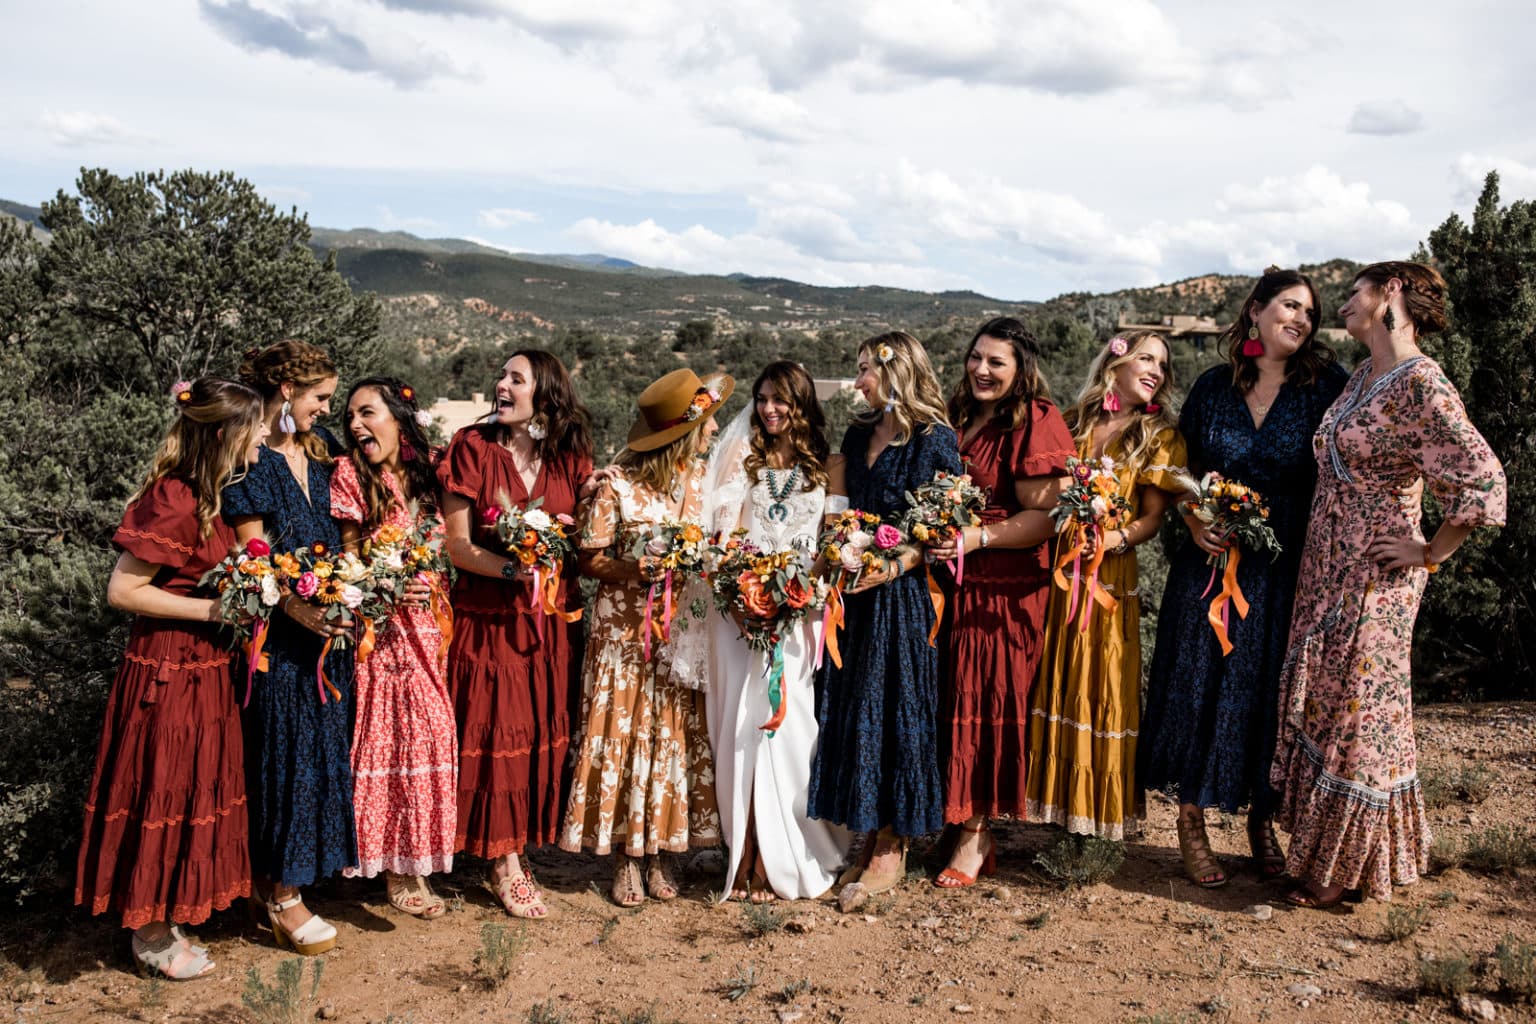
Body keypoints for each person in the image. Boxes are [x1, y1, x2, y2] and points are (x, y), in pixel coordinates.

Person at [1272, 261, 1506, 908]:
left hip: (1380, 574)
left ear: (1391, 294)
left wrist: (1429, 551)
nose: (1342, 305)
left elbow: (1483, 479)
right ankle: (1335, 856)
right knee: (1333, 702)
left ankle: (1338, 870)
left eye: (1354, 293)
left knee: (1361, 714)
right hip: (1327, 569)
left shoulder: (1421, 383)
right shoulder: (1365, 379)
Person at [1138, 269, 1347, 888]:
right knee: (1196, 686)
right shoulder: (1212, 388)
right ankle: (1190, 821)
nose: (1300, 320)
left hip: (1281, 571)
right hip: (1207, 568)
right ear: (1255, 311)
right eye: (1289, 305)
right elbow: (1180, 474)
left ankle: (1262, 819)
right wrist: (1192, 519)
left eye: (1309, 313)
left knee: (1265, 694)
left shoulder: (1325, 388)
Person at [76, 378, 267, 979]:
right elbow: (124, 590)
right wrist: (218, 610)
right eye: (257, 424)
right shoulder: (178, 500)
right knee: (160, 785)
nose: (265, 433)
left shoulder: (213, 494)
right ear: (223, 433)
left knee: (188, 789)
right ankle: (149, 934)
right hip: (167, 671)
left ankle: (165, 917)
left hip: (203, 669)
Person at [560, 368, 728, 907]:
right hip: (624, 637)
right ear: (681, 432)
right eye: (706, 422)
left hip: (682, 633)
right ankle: (625, 860)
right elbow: (589, 561)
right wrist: (636, 569)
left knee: (670, 742)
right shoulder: (618, 487)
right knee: (628, 743)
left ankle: (659, 853)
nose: (715, 429)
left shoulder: (703, 482)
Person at [439, 351, 595, 919]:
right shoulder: (471, 448)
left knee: (533, 736)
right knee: (496, 733)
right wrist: (514, 569)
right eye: (500, 376)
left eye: (515, 378)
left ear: (545, 393)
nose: (500, 385)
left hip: (549, 626)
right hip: (488, 625)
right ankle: (503, 862)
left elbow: (584, 529)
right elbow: (457, 546)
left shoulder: (570, 457)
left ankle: (519, 842)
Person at [808, 332, 961, 903]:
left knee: (897, 707)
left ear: (898, 371)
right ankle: (866, 829)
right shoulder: (855, 433)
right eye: (857, 368)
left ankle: (894, 842)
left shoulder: (935, 441)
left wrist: (894, 564)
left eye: (867, 369)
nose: (859, 380)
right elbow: (840, 505)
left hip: (901, 596)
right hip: (854, 590)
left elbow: (940, 528)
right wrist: (838, 546)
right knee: (854, 705)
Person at [926, 318, 1075, 887]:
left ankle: (975, 835)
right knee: (948, 694)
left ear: (1021, 370)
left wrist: (977, 537)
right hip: (952, 580)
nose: (982, 370)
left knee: (986, 704)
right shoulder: (958, 415)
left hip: (1005, 587)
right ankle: (954, 815)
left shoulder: (1036, 419)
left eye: (997, 363)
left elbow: (1042, 517)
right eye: (976, 358)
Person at [1023, 331, 1186, 842]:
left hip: (1110, 579)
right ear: (1114, 362)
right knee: (1059, 677)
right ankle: (1052, 808)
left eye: (1163, 363)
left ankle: (1096, 819)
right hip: (1057, 575)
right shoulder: (1069, 424)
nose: (1157, 370)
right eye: (1146, 358)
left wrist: (1111, 537)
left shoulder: (1158, 435)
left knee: (1104, 683)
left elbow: (1154, 519)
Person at [701, 361, 850, 902]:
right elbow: (721, 539)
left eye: (780, 399)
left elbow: (833, 541)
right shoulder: (743, 459)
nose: (768, 409)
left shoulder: (830, 465)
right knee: (738, 729)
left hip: (799, 615)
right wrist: (744, 600)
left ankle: (780, 855)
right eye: (762, 399)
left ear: (802, 402)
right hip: (738, 615)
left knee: (788, 729)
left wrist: (796, 596)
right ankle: (741, 852)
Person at [225, 340, 353, 956]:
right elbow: (252, 557)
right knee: (283, 762)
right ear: (287, 393)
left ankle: (285, 880)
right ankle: (281, 895)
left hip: (329, 646)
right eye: (321, 398)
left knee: (318, 757)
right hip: (278, 643)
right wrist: (295, 605)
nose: (326, 410)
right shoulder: (249, 467)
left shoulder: (325, 460)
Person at [332, 377, 457, 918]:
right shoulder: (351, 476)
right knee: (390, 738)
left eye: (367, 413)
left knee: (431, 736)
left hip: (434, 627)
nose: (356, 425)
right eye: (350, 417)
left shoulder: (435, 471)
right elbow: (348, 559)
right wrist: (383, 584)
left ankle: (415, 856)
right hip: (380, 633)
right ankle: (394, 872)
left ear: (400, 418)